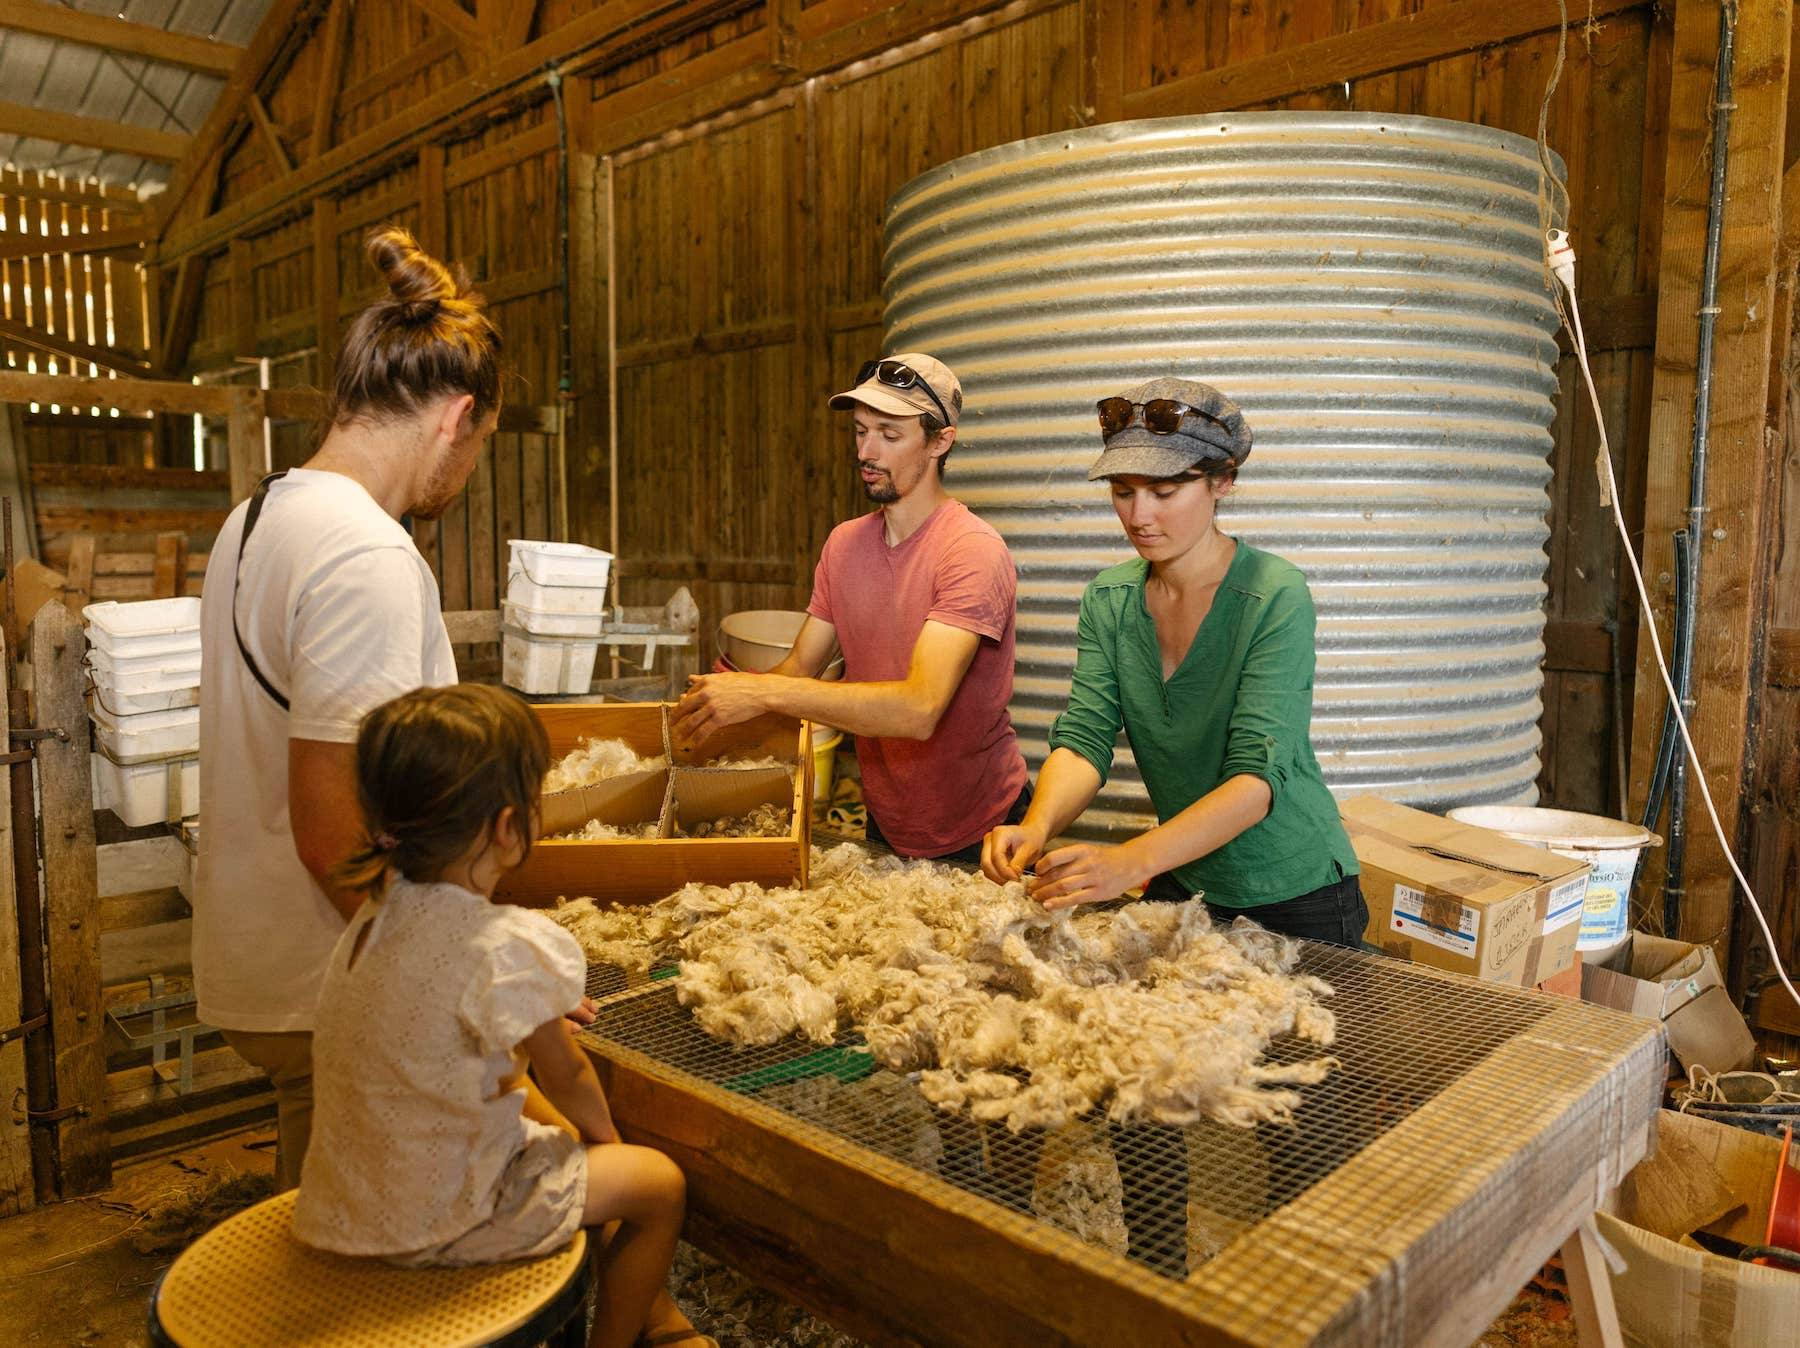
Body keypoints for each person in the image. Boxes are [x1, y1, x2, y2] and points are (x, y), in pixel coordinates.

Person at [193, 225, 504, 1190]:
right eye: (481, 447)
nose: (468, 474)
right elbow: (333, 828)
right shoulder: (364, 553)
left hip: (262, 958)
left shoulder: (258, 514)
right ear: (455, 418)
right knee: (375, 1264)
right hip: (332, 977)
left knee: (318, 1213)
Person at [292, 684, 703, 1348]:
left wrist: (527, 999)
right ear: (510, 827)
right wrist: (606, 1138)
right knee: (655, 1185)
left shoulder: (367, 921)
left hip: (344, 1202)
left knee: (545, 1131)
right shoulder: (504, 945)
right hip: (441, 1222)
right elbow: (568, 1077)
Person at [982, 376, 1364, 945]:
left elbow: (1256, 780)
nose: (1139, 516)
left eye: (1164, 492)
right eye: (1122, 490)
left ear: (1223, 482)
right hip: (1185, 876)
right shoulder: (1110, 600)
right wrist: (1038, 824)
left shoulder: (1274, 593)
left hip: (1292, 891)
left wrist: (1131, 863)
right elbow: (1085, 737)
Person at [671, 353, 1029, 863]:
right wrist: (727, 710)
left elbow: (919, 709)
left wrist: (763, 692)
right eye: (860, 431)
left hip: (981, 828)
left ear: (939, 441)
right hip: (887, 814)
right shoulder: (844, 545)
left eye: (889, 433)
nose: (866, 450)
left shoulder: (971, 550)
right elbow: (799, 669)